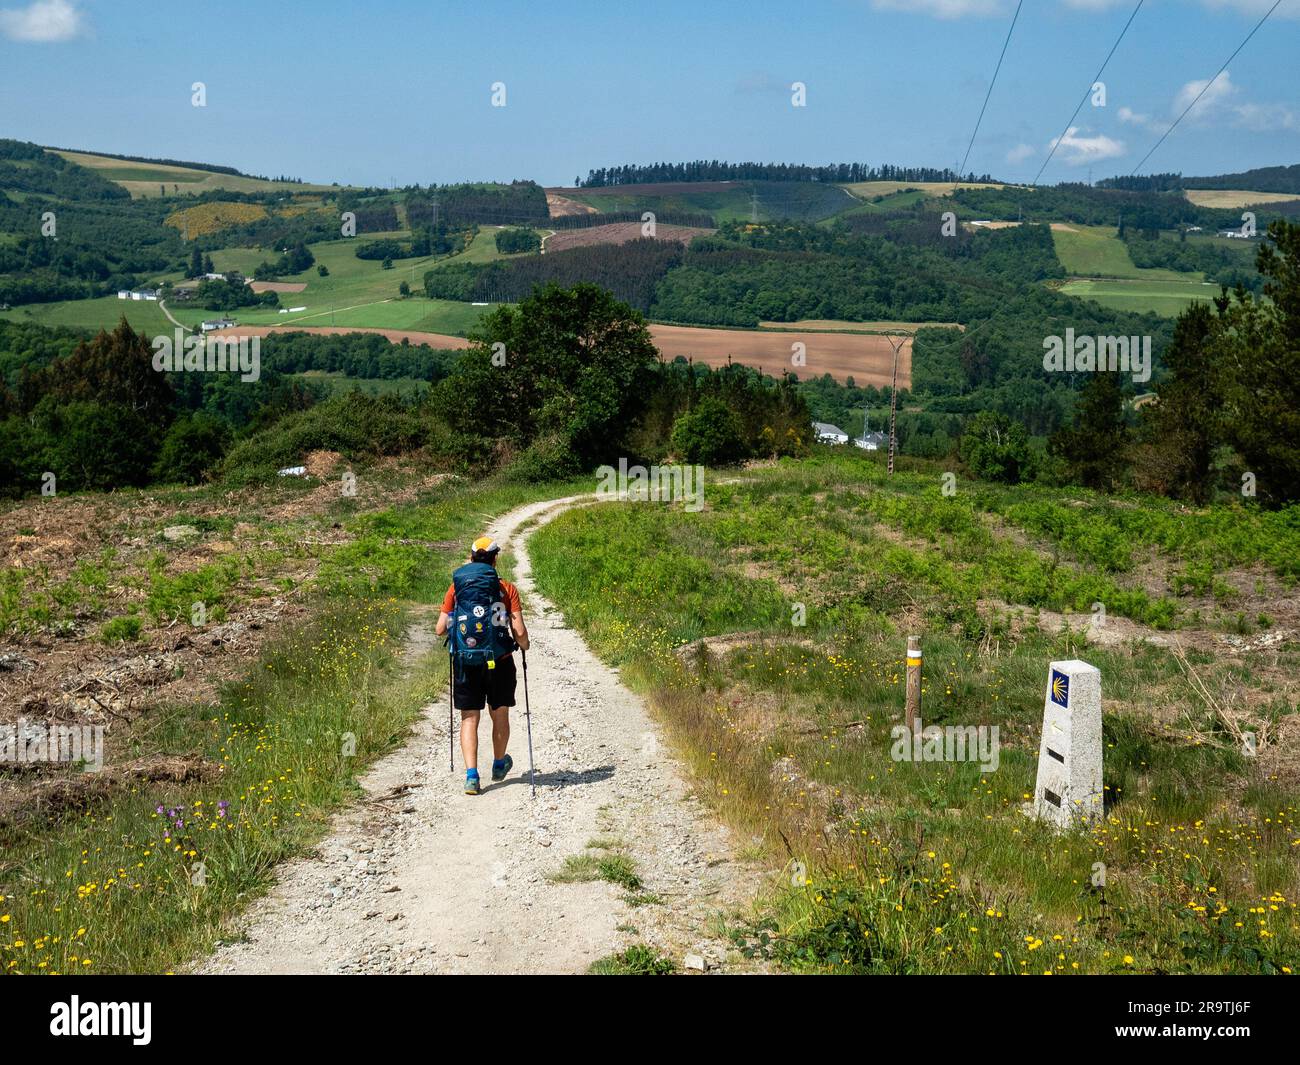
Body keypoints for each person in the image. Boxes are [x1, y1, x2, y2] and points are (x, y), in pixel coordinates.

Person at [436, 536, 530, 795]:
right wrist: (524, 645)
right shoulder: (507, 589)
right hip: (499, 661)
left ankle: (471, 777)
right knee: (499, 713)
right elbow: (519, 631)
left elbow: (439, 629)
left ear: (471, 558)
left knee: (470, 718)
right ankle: (499, 765)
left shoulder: (456, 589)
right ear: (495, 558)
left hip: (466, 662)